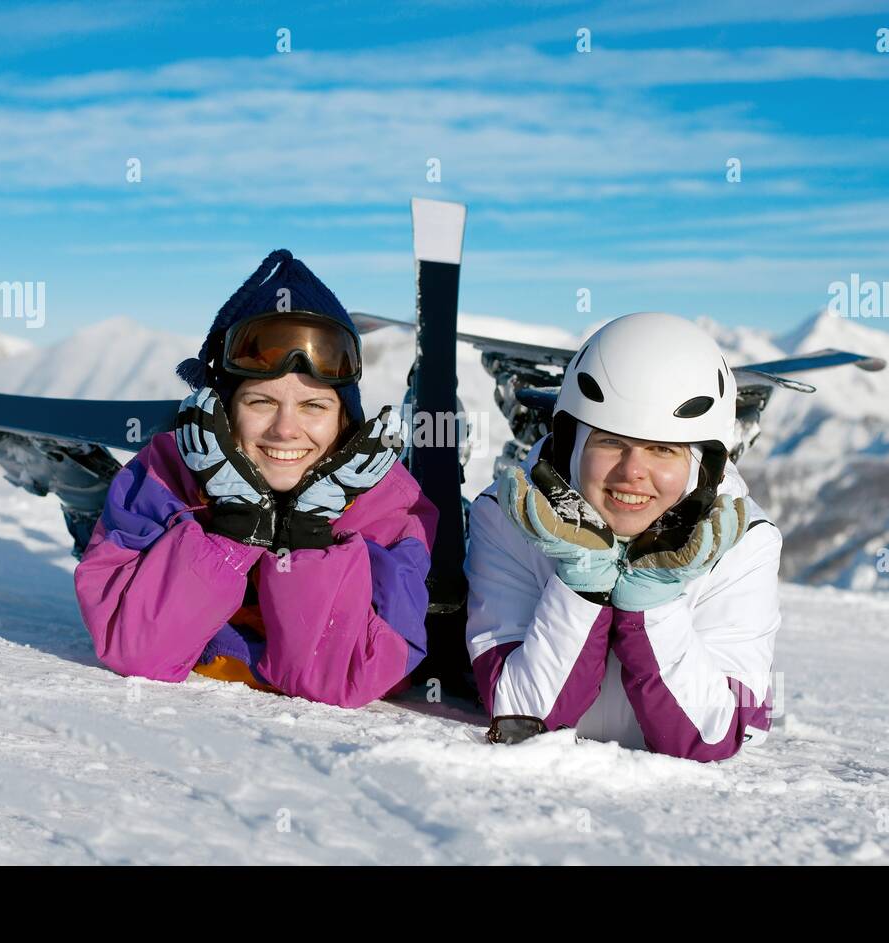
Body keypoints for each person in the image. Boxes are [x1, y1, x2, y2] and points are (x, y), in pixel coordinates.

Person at [74, 250, 439, 708]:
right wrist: (233, 529)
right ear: (224, 413)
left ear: (345, 418)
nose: (285, 429)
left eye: (314, 406)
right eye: (261, 402)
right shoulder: (162, 477)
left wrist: (311, 535)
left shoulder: (387, 505)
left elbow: (350, 679)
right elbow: (137, 649)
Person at [464, 312, 782, 760]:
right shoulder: (504, 519)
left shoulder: (745, 543)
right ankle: (535, 440)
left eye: (663, 449)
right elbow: (522, 721)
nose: (633, 470)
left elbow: (708, 737)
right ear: (575, 440)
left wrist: (654, 601)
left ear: (702, 462)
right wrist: (582, 584)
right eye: (611, 441)